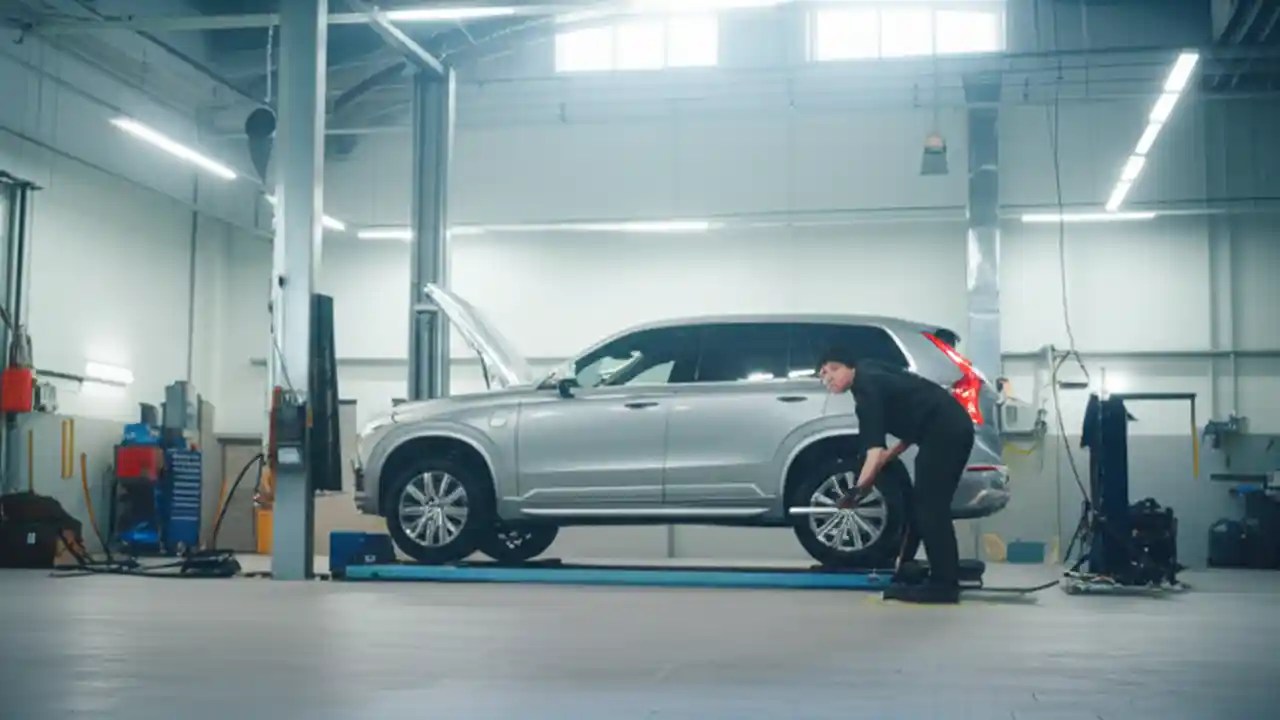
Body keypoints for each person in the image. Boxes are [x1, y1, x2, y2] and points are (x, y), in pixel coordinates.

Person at [817, 348, 975, 604]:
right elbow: (913, 419)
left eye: (831, 371)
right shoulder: (872, 371)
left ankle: (944, 585)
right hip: (946, 429)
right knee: (923, 505)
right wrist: (887, 458)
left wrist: (856, 493)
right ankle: (921, 570)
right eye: (823, 377)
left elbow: (873, 451)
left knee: (930, 508)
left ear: (844, 366)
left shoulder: (866, 391)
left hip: (945, 434)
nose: (828, 380)